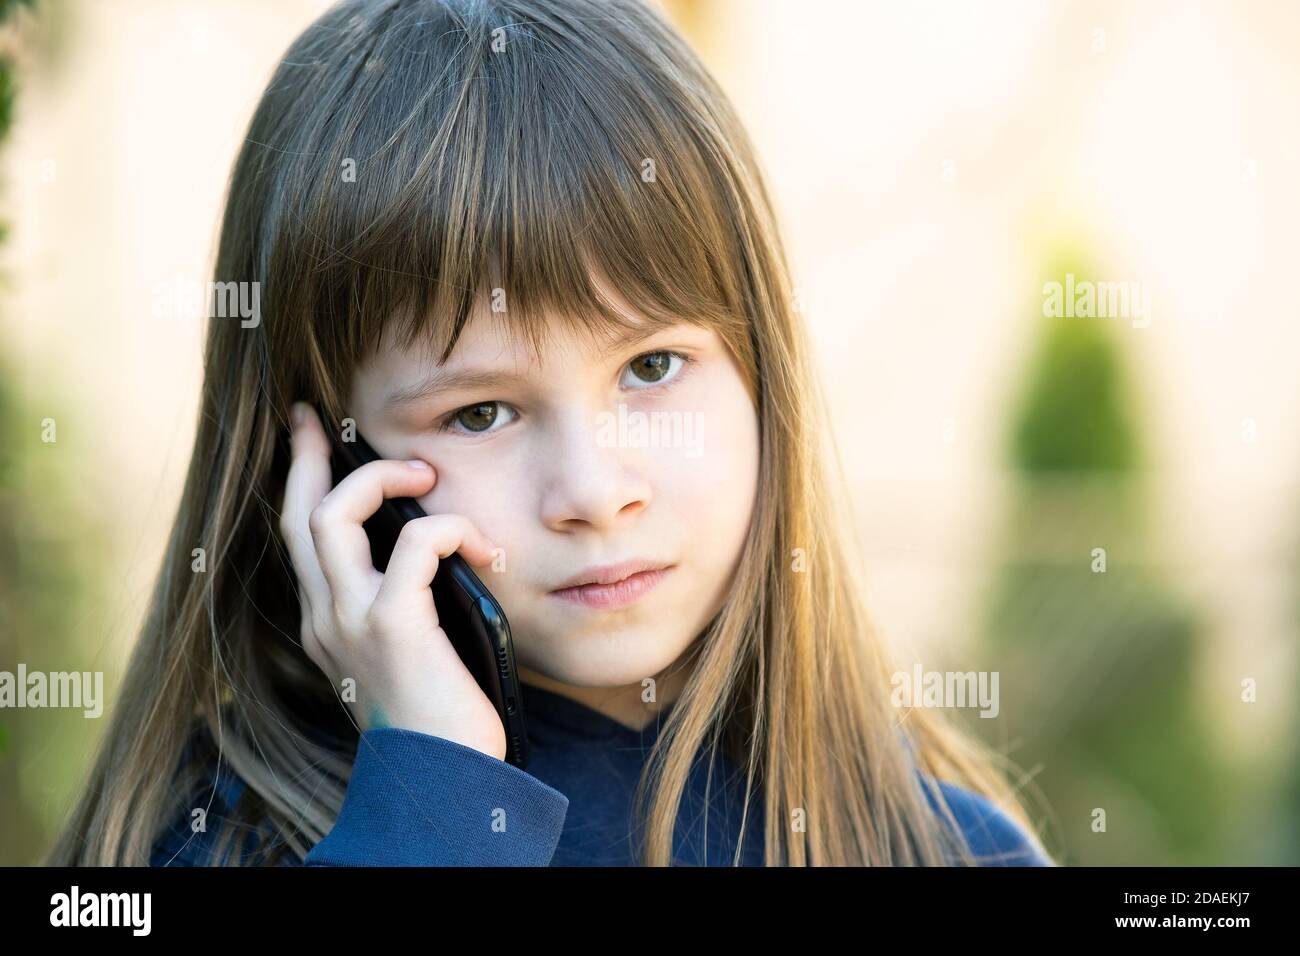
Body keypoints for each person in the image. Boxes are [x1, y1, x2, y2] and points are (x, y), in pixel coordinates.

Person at [49, 0, 1053, 867]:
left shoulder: (944, 847)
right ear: (325, 465)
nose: (593, 487)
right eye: (480, 411)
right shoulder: (216, 831)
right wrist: (432, 800)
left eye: (651, 366)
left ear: (762, 373)